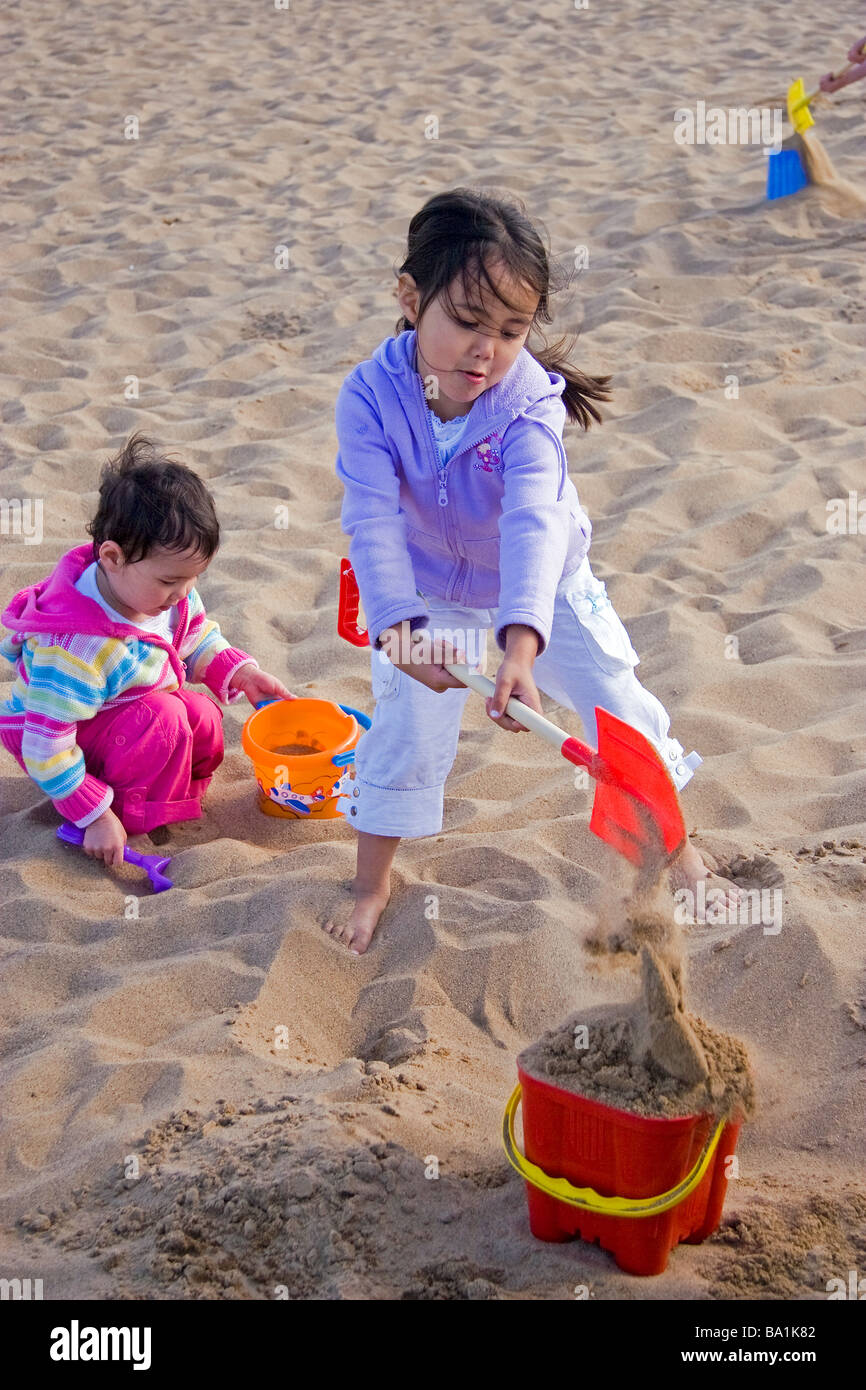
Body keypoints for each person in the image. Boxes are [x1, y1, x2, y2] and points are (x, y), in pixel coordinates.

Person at [330, 187, 740, 955]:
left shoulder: (528, 406)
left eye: (512, 331)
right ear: (411, 298)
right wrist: (398, 630)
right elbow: (372, 520)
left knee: (617, 704)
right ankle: (370, 883)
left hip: (540, 581)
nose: (485, 352)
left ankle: (684, 862)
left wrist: (522, 643)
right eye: (466, 323)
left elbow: (534, 522)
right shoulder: (370, 396)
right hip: (425, 587)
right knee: (408, 728)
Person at [0, 433, 294, 865]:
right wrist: (94, 814)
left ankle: (167, 800)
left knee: (202, 712)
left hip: (124, 720)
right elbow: (46, 746)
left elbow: (194, 639)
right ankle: (124, 810)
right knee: (169, 715)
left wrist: (241, 674)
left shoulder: (160, 595)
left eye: (193, 579)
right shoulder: (76, 648)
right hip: (62, 739)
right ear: (113, 557)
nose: (183, 593)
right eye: (170, 581)